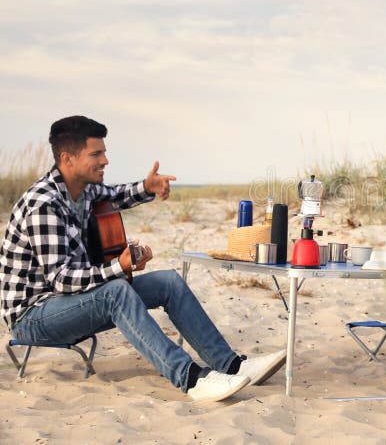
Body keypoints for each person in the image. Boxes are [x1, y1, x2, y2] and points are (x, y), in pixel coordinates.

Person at [1, 116, 286, 402]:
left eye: (104, 152)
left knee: (168, 282)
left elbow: (115, 195)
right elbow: (61, 280)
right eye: (96, 154)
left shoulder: (83, 190)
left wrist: (148, 187)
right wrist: (119, 266)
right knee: (115, 291)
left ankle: (232, 365)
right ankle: (190, 379)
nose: (106, 160)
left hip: (70, 303)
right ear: (68, 158)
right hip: (33, 316)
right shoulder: (44, 204)